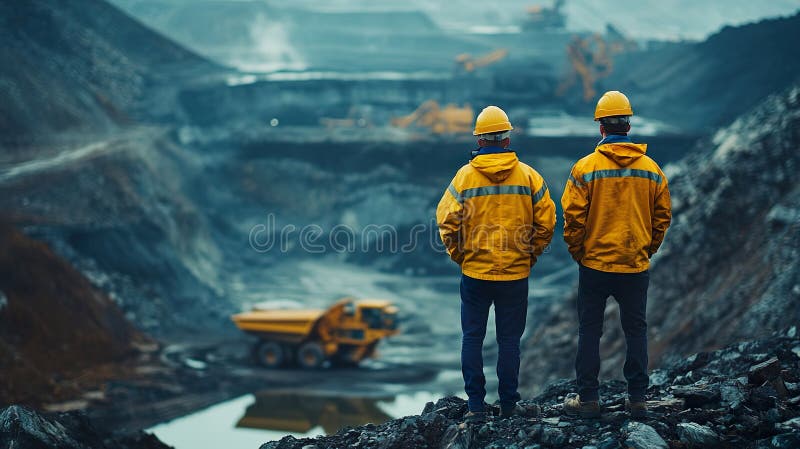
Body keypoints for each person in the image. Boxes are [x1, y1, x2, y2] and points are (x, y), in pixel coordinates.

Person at [436, 105, 556, 422]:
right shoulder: (529, 177)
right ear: (505, 139)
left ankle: (475, 406)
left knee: (472, 338)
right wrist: (529, 255)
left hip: (475, 273)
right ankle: (509, 406)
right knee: (509, 342)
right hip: (515, 275)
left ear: (479, 140)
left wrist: (461, 256)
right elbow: (547, 223)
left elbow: (447, 223)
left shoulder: (464, 178)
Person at [561, 90, 672, 418]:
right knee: (636, 330)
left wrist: (580, 252)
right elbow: (662, 217)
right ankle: (637, 398)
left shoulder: (585, 168)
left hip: (594, 264)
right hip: (634, 265)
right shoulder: (651, 170)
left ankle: (588, 400)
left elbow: (572, 218)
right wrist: (645, 249)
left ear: (601, 128)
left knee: (589, 331)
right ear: (627, 125)